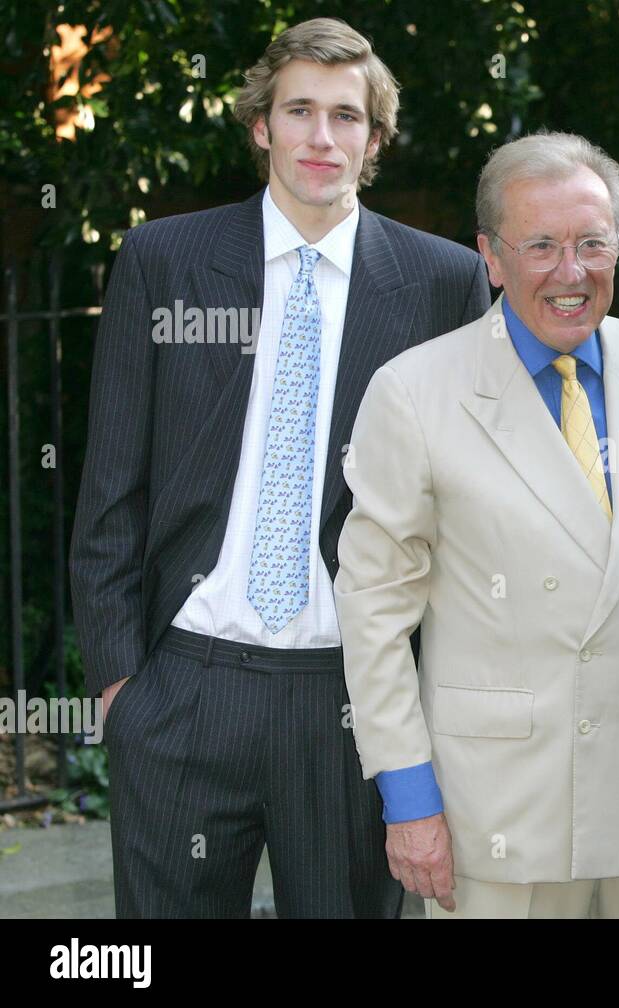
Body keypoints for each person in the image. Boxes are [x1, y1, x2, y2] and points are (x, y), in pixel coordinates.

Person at [69, 17, 490, 918]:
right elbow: (110, 485)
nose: (321, 137)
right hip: (184, 685)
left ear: (375, 140)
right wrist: (120, 689)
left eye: (346, 116)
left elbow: (464, 512)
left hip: (351, 697)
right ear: (262, 125)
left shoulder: (443, 282)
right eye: (300, 110)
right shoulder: (163, 262)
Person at [334, 130, 619, 920]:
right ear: (490, 257)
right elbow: (374, 612)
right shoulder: (415, 391)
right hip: (494, 815)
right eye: (542, 246)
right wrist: (408, 798)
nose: (571, 273)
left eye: (593, 243)